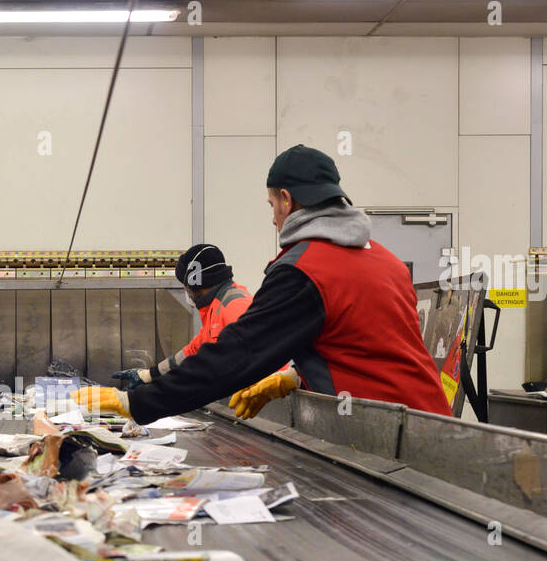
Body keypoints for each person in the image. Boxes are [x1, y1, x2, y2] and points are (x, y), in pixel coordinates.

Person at [73, 144, 451, 424]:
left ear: (286, 200)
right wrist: (293, 376)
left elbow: (236, 355)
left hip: (386, 434)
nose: (273, 219)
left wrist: (137, 403)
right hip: (434, 423)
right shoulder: (385, 260)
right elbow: (370, 345)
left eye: (271, 205)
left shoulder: (304, 269)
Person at [111, 243, 255, 391]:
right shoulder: (216, 306)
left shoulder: (235, 306)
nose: (185, 289)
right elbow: (192, 352)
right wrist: (148, 375)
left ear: (194, 282)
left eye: (184, 284)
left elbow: (252, 358)